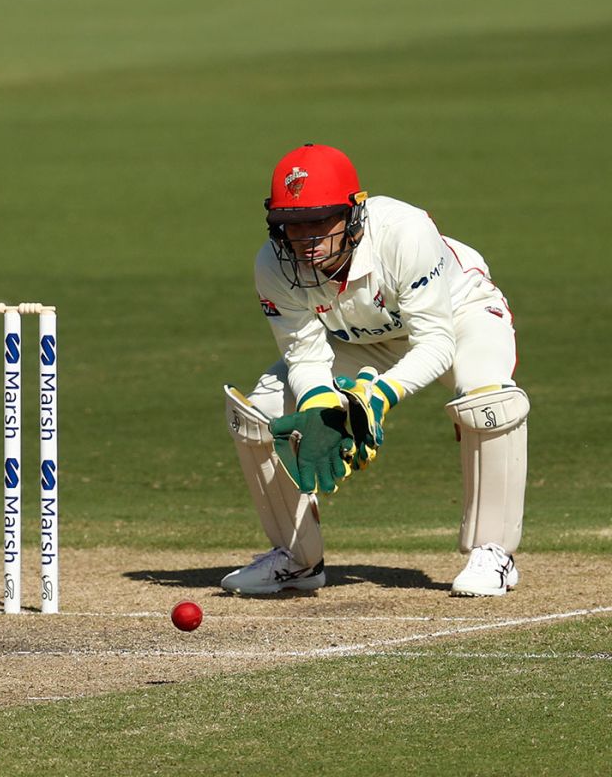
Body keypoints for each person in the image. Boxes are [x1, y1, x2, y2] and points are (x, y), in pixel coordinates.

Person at [222, 143, 529, 598]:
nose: (305, 240)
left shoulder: (405, 231)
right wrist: (320, 404)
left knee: (489, 402)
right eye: (291, 225)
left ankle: (493, 552)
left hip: (459, 317)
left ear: (354, 212)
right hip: (357, 340)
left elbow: (436, 343)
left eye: (319, 221)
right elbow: (305, 356)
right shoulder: (273, 265)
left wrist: (375, 398)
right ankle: (296, 560)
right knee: (263, 410)